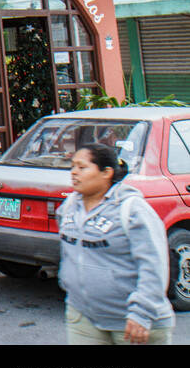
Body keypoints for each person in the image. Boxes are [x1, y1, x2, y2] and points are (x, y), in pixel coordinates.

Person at [57, 143, 175, 345]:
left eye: (82, 167)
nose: (74, 172)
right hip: (84, 317)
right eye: (72, 167)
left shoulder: (132, 209)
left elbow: (154, 265)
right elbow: (69, 254)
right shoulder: (69, 207)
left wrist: (141, 313)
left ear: (106, 173)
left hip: (133, 322)